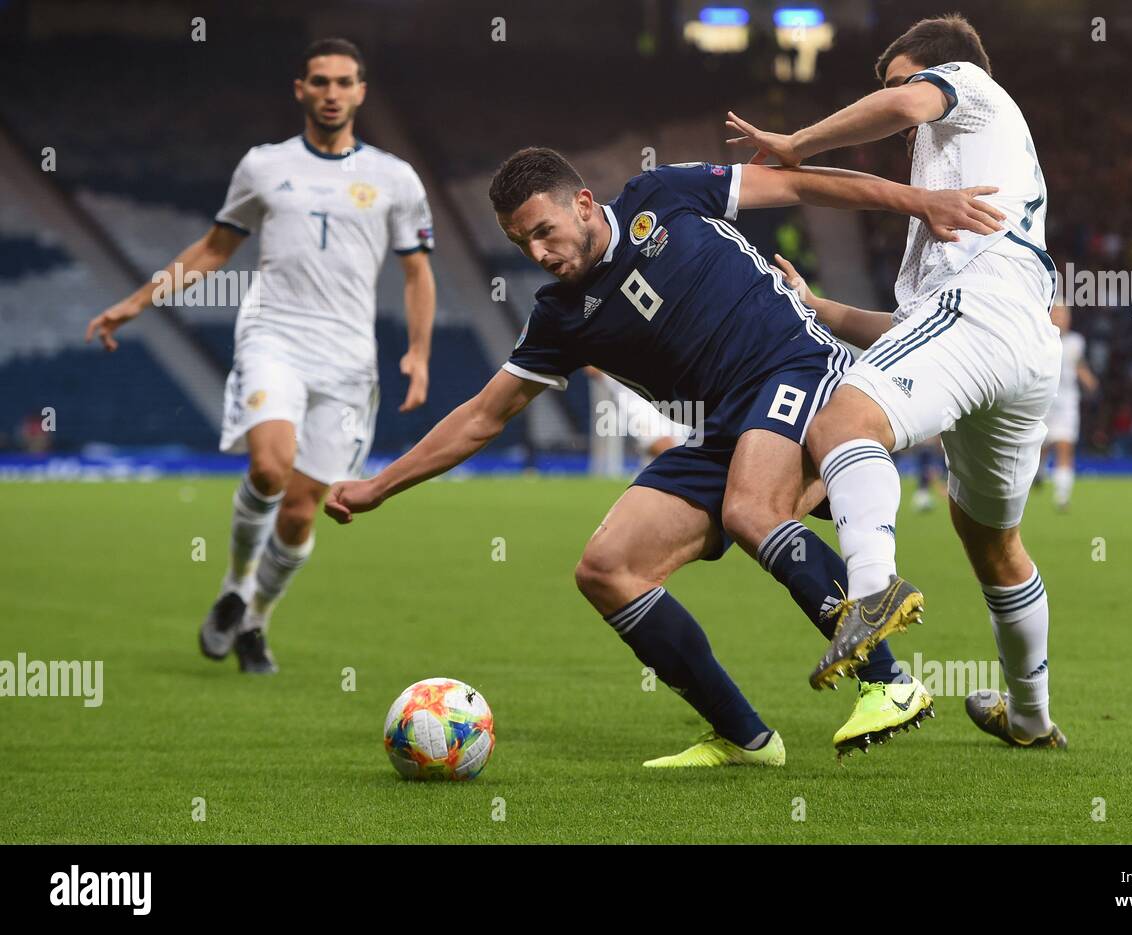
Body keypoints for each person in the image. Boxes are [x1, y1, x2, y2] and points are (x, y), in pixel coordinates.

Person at [326, 146, 1005, 764]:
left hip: (795, 367)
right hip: (722, 429)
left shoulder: (665, 194)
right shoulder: (562, 315)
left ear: (584, 204)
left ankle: (890, 681)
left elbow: (798, 183)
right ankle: (744, 736)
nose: (537, 251)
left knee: (749, 508)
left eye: (543, 230)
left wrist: (922, 201)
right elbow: (481, 416)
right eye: (519, 241)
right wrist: (378, 486)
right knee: (608, 567)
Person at [727, 13, 1068, 748]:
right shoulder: (962, 180)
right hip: (1018, 344)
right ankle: (1032, 716)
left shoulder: (971, 87)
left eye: (900, 79)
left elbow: (907, 104)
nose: (898, 103)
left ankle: (872, 588)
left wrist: (795, 145)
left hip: (984, 315)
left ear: (941, 73)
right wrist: (820, 309)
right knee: (992, 541)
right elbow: (913, 332)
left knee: (841, 422)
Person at [85, 39, 436, 674]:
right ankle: (235, 584)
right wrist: (135, 303)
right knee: (271, 469)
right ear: (299, 89)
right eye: (320, 81)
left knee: (303, 511)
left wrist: (417, 352)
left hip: (349, 359)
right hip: (275, 335)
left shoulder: (395, 178)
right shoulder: (264, 166)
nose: (332, 92)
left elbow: (417, 273)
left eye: (344, 82)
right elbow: (214, 249)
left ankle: (252, 619)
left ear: (361, 92)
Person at [1042, 304, 1098, 511]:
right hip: (1042, 402)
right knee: (1040, 448)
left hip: (1066, 402)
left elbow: (1078, 365)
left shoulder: (1076, 342)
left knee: (1065, 447)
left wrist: (1089, 381)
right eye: (1056, 313)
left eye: (1063, 314)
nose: (1060, 318)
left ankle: (1062, 496)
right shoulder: (1039, 338)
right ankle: (1039, 473)